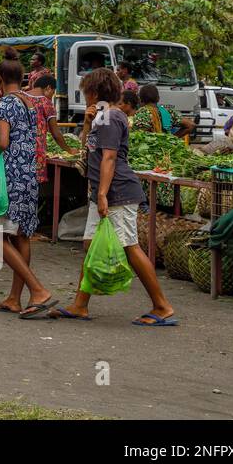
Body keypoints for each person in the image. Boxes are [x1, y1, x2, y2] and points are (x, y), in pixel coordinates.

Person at [50, 68, 178, 325]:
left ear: (95, 93)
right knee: (89, 247)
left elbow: (109, 158)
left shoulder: (110, 118)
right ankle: (79, 304)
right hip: (105, 192)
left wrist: (102, 194)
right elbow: (90, 149)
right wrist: (87, 124)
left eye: (86, 92)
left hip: (116, 191)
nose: (84, 97)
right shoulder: (100, 118)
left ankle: (162, 306)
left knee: (129, 246)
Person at [0, 49, 59, 318]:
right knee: (21, 236)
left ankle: (37, 289)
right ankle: (14, 298)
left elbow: (3, 142)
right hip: (29, 175)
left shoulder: (6, 104)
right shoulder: (31, 103)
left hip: (10, 177)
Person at [27, 72, 73, 186]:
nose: (51, 96)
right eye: (53, 92)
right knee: (33, 188)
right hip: (36, 154)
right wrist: (69, 150)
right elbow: (56, 133)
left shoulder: (21, 97)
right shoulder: (46, 103)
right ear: (48, 88)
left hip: (18, 152)